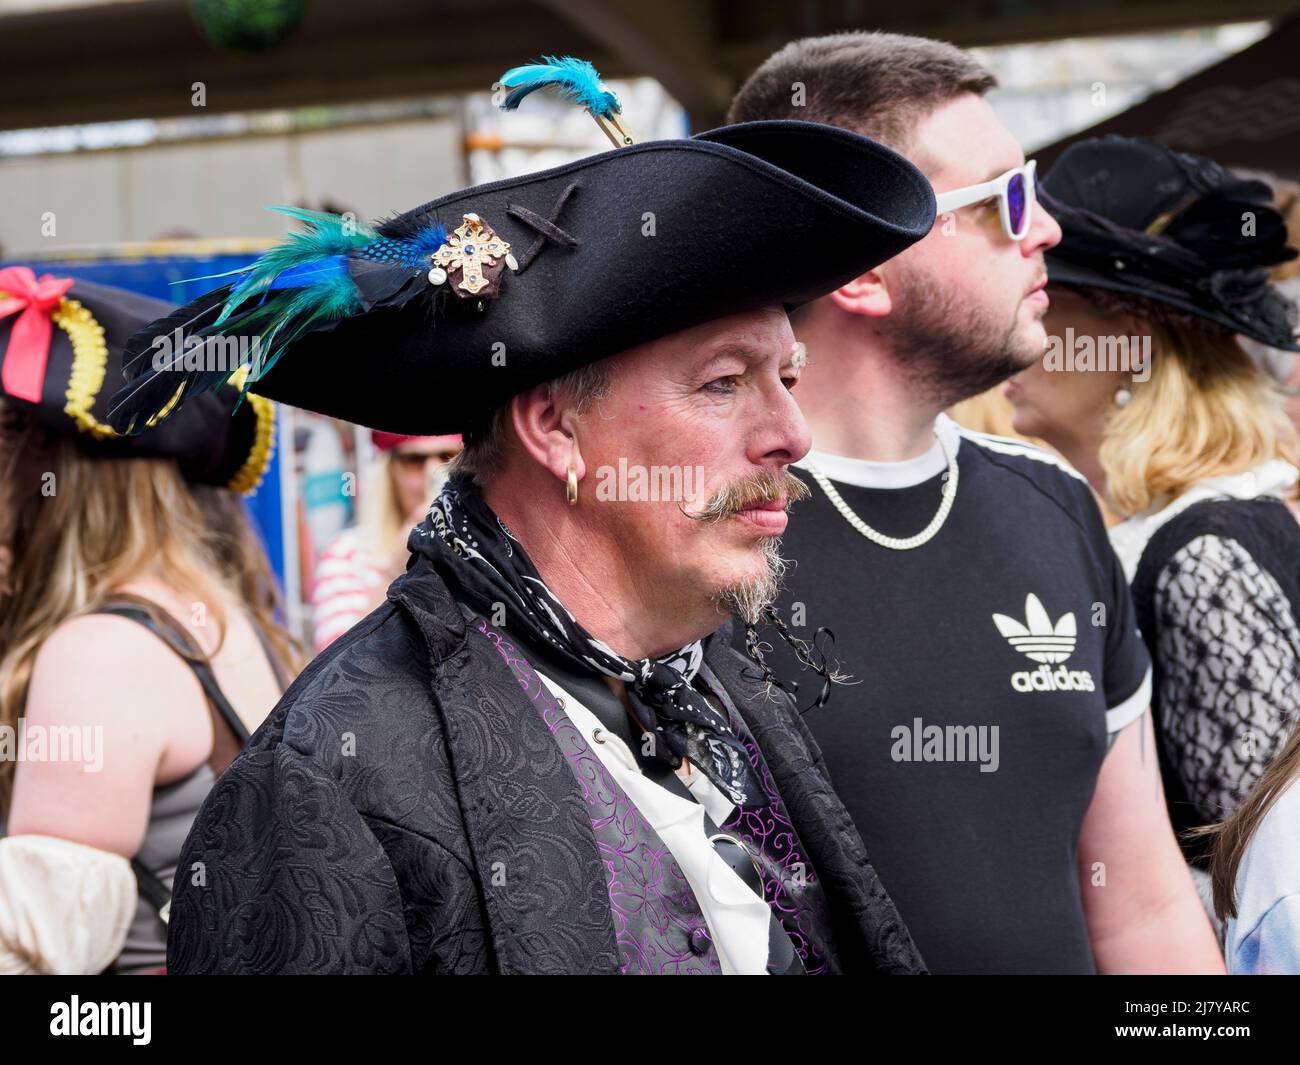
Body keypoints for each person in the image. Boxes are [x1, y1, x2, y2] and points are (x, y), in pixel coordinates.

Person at [105, 84, 939, 973]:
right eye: (724, 382)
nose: (792, 435)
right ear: (554, 428)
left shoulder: (719, 688)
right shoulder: (324, 781)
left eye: (789, 378)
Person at [727, 32, 1223, 974]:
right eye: (1003, 201)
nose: (1046, 230)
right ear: (861, 272)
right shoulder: (708, 539)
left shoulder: (1056, 505)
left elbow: (1142, 903)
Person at [1003, 137, 1300, 920]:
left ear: (1130, 339)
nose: (1022, 328)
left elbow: (1271, 882)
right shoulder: (1187, 530)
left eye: (1047, 302)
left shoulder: (1204, 554)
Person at [0, 273, 300, 974]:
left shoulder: (102, 653)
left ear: (63, 468)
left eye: (9, 430)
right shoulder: (213, 614)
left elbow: (27, 951)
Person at [311, 430, 460, 651]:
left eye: (448, 457)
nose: (433, 472)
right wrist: (395, 569)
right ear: (389, 471)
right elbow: (332, 669)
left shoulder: (491, 549)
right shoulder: (347, 554)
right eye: (414, 460)